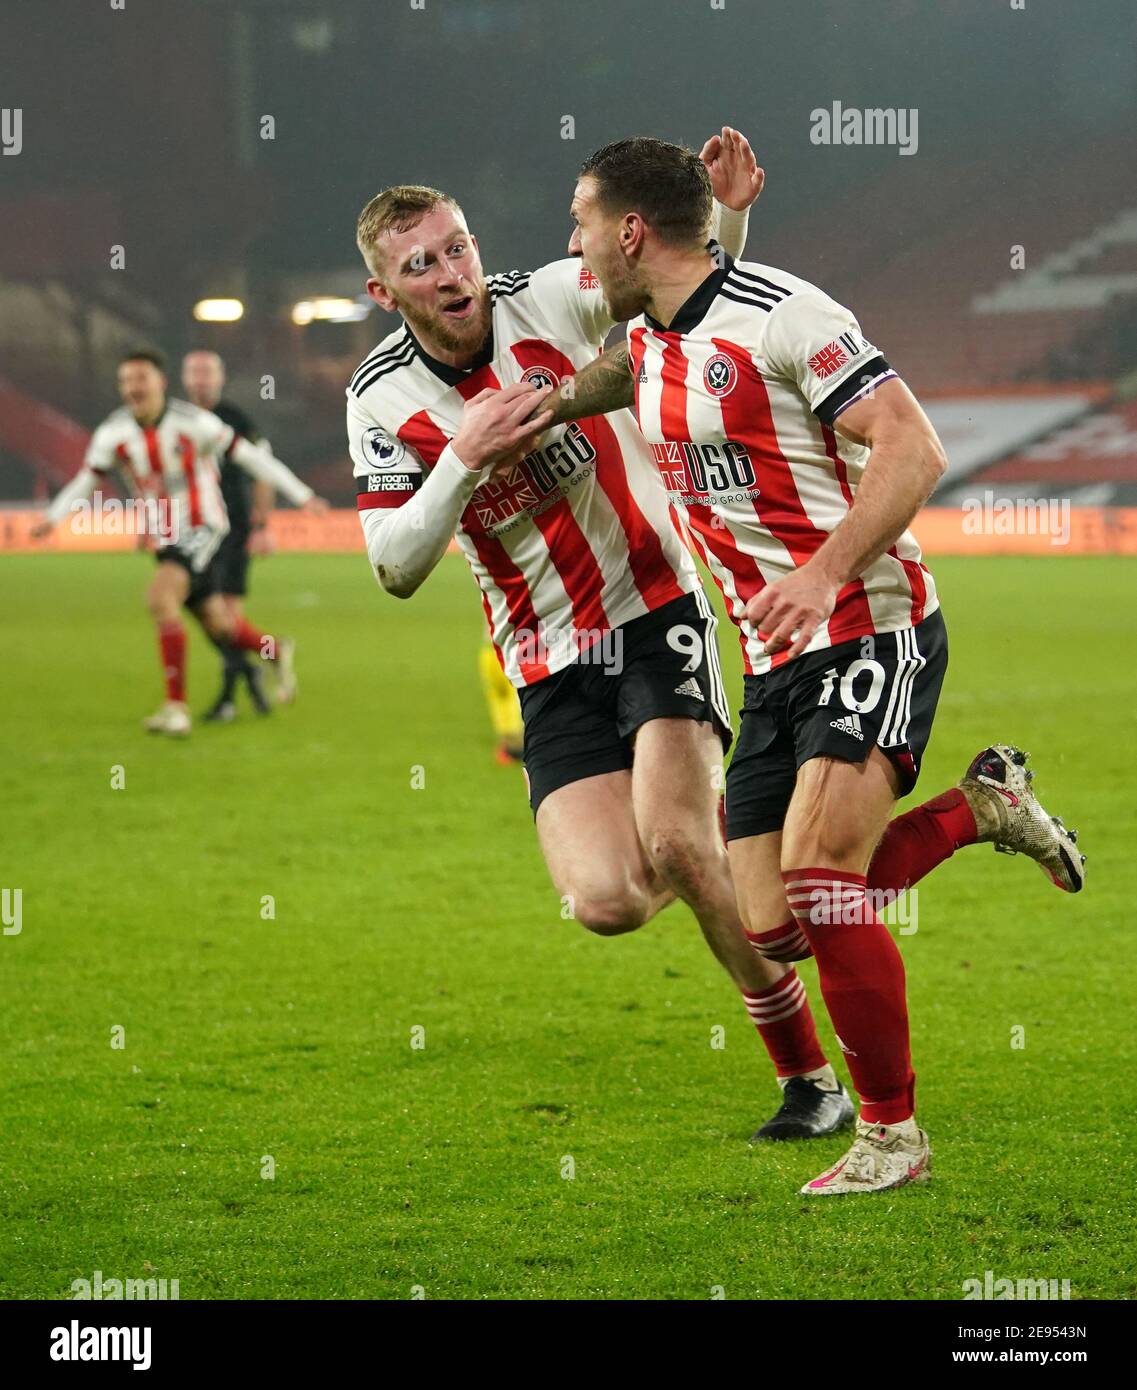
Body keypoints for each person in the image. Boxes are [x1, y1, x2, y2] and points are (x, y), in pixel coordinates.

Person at [545, 135, 1086, 1193]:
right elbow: (650, 357)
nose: (572, 241)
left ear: (629, 230)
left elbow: (914, 447)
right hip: (773, 657)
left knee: (824, 891)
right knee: (779, 928)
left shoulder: (793, 313)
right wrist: (505, 423)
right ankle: (978, 811)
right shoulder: (650, 337)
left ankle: (893, 1136)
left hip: (868, 623)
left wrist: (825, 569)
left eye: (580, 218)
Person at [348, 130, 859, 1142]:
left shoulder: (550, 295)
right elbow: (393, 566)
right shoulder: (380, 396)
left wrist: (729, 219)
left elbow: (679, 300)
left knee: (674, 836)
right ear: (384, 294)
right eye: (422, 265)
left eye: (457, 247)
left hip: (655, 608)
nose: (453, 274)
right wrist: (460, 461)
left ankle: (810, 1076)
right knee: (611, 900)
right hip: (543, 656)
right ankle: (742, 855)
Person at [32, 349, 327, 735]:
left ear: (161, 383)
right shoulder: (113, 433)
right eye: (126, 381)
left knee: (160, 598)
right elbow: (87, 479)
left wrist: (303, 495)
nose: (133, 388)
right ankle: (274, 649)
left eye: (142, 379)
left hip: (203, 526)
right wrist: (53, 517)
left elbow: (252, 458)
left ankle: (176, 708)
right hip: (164, 536)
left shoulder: (194, 423)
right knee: (218, 622)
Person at [181, 349, 277, 719]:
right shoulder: (177, 420)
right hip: (194, 532)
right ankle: (260, 663)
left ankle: (228, 698)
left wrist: (262, 525)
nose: (201, 378)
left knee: (224, 615)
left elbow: (264, 470)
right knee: (210, 615)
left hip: (232, 530)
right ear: (184, 378)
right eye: (194, 371)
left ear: (220, 379)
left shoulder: (236, 420)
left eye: (207, 372)